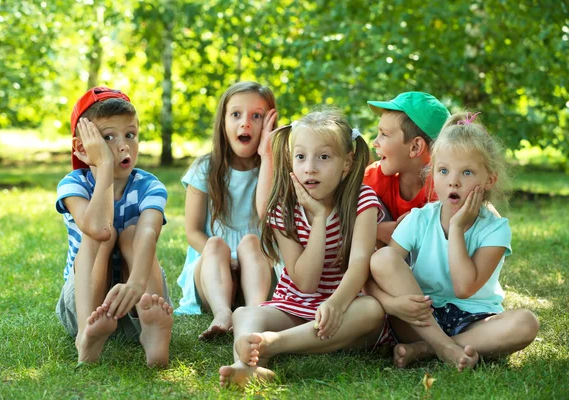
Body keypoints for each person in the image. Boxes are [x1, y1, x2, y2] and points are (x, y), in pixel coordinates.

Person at [219, 108, 389, 388]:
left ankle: (273, 344)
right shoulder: (283, 208)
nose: (310, 167)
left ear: (346, 163)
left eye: (323, 157)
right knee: (245, 314)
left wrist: (336, 303)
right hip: (294, 304)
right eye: (301, 157)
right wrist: (319, 220)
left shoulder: (362, 199)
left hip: (345, 304)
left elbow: (360, 262)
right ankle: (244, 366)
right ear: (290, 160)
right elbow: (306, 283)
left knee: (372, 310)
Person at [367, 112, 539, 370]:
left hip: (475, 321)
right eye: (443, 170)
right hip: (422, 318)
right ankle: (443, 346)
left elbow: (463, 288)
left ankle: (429, 349)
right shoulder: (420, 219)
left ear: (489, 180)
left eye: (467, 172)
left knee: (526, 323)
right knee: (382, 257)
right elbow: (380, 271)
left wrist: (457, 229)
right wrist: (392, 303)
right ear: (432, 174)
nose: (453, 181)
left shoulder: (495, 229)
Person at [55, 86, 173, 366]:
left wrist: (135, 284)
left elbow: (149, 231)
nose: (123, 145)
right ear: (83, 147)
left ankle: (153, 333)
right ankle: (86, 333)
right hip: (84, 303)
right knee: (104, 236)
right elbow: (97, 228)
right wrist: (104, 166)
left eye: (130, 135)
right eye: (108, 137)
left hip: (139, 295)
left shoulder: (150, 185)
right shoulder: (74, 185)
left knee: (133, 232)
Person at [175, 81, 279, 340]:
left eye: (257, 116)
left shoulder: (276, 170)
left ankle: (254, 312)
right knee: (215, 245)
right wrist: (228, 259)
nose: (245, 123)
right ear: (223, 122)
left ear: (270, 125)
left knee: (252, 242)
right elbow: (192, 231)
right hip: (212, 274)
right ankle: (222, 313)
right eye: (236, 115)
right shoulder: (205, 169)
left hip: (258, 271)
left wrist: (269, 156)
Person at [363, 92, 450, 247]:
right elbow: (339, 215)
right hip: (386, 261)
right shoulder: (373, 177)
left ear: (415, 147)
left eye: (384, 134)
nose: (375, 142)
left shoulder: (445, 187)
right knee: (364, 200)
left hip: (431, 262)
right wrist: (375, 230)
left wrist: (422, 222)